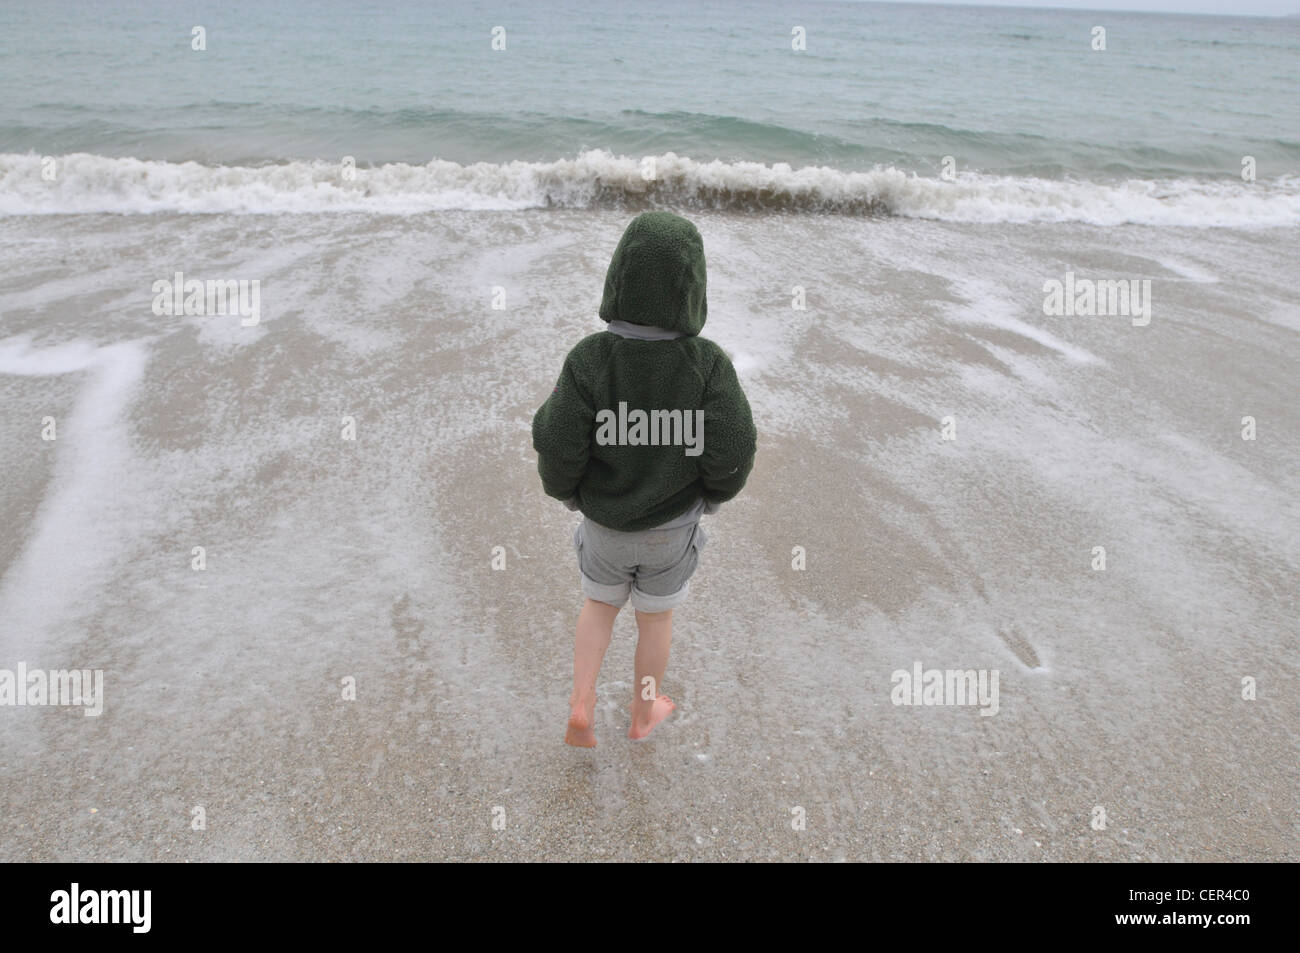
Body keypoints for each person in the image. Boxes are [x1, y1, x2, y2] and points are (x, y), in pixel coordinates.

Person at [532, 211, 756, 746]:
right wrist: (715, 494)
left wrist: (566, 491)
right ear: (692, 288)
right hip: (671, 533)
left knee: (599, 607)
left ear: (618, 278)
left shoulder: (590, 358)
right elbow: (735, 443)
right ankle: (642, 710)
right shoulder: (706, 363)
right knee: (655, 623)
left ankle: (581, 705)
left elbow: (556, 438)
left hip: (605, 527)